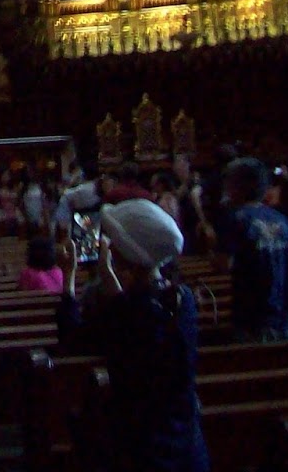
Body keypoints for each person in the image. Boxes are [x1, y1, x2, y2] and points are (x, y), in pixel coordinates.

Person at [58, 201, 208, 472]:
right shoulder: (181, 298)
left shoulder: (130, 313)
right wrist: (109, 275)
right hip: (185, 441)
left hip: (142, 448)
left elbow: (72, 337)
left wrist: (69, 278)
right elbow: (134, 308)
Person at [218, 156, 288, 342]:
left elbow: (223, 264)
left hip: (252, 320)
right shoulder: (281, 220)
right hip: (285, 317)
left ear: (238, 186)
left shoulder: (237, 219)